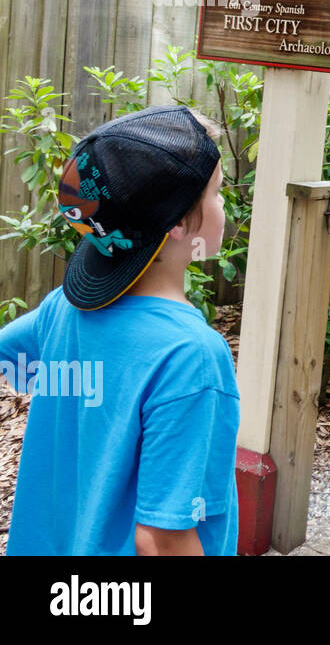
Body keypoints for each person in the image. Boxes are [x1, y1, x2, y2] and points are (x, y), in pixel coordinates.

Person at [0, 106, 239, 555]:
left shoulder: (61, 311)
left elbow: (9, 356)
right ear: (179, 225)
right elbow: (163, 540)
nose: (225, 205)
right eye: (218, 193)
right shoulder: (191, 357)